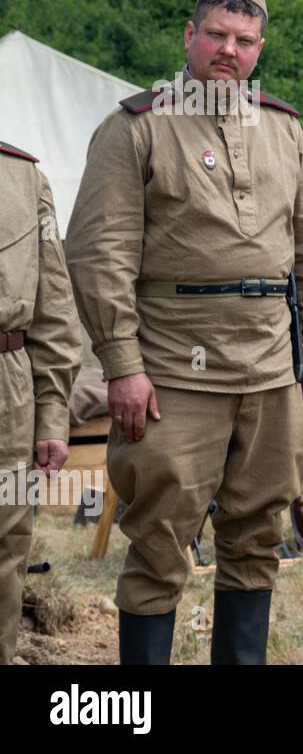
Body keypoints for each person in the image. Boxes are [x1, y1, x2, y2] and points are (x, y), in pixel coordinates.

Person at [65, 0, 303, 665]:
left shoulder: (284, 129)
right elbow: (97, 255)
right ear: (189, 36)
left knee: (257, 540)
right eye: (216, 35)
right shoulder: (136, 127)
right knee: (160, 543)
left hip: (270, 370)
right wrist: (121, 367)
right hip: (172, 371)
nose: (229, 49)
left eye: (244, 40)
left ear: (259, 48)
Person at [0, 144, 81, 665]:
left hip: (8, 390)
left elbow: (53, 308)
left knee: (6, 549)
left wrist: (52, 413)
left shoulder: (23, 178)